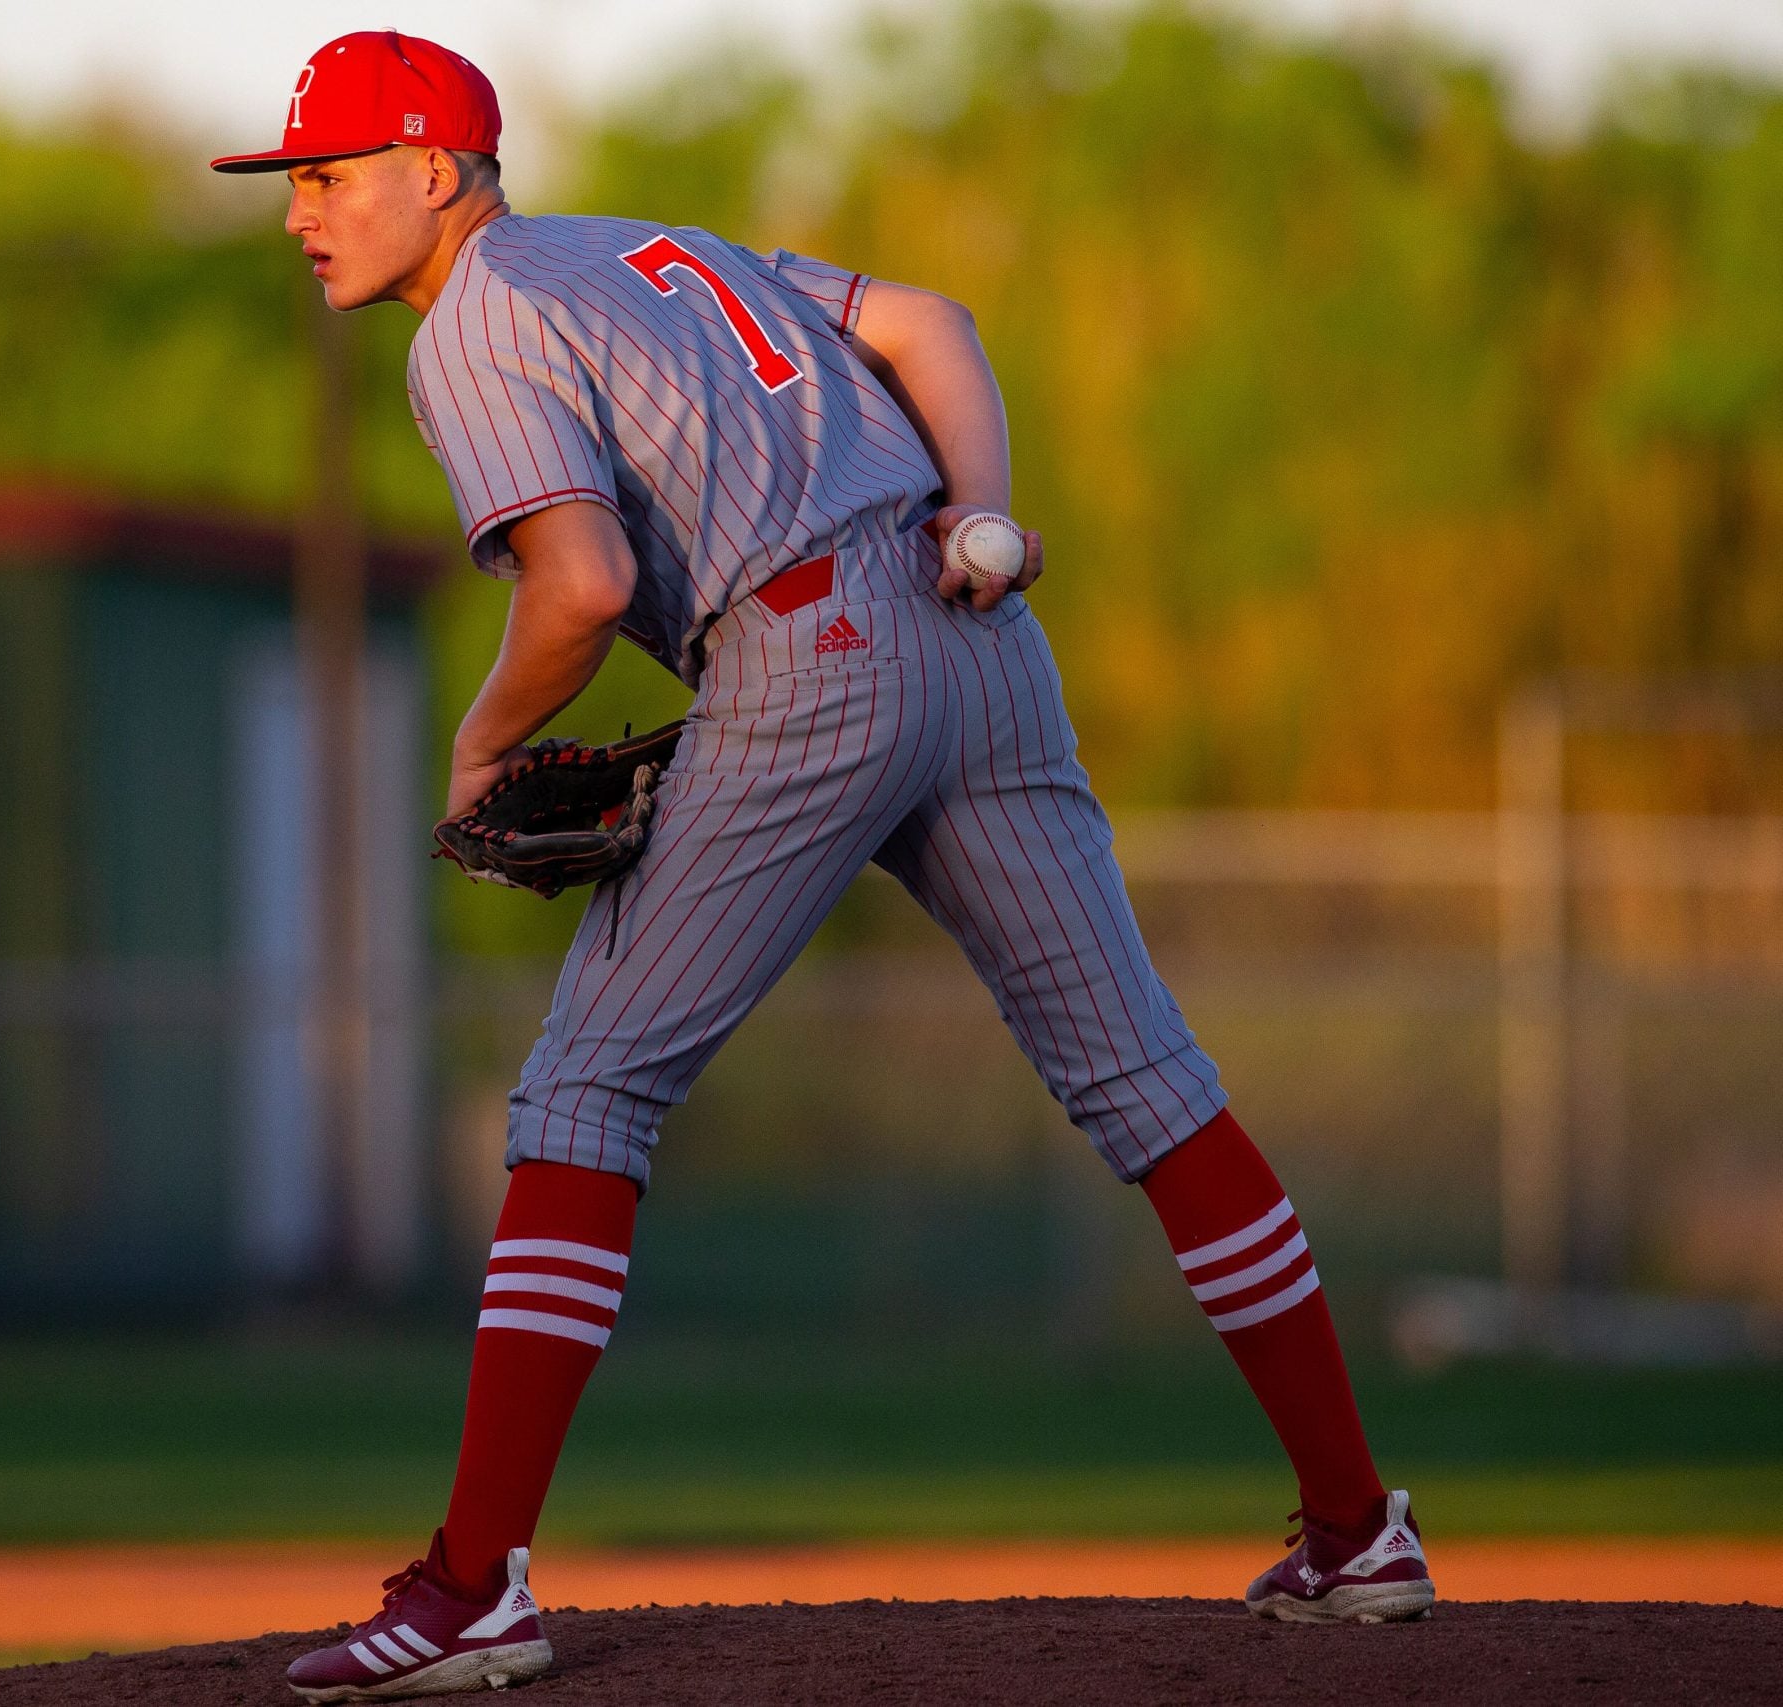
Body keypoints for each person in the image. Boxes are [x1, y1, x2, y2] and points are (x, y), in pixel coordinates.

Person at [211, 30, 1433, 1701]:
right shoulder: (669, 252)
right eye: (296, 182)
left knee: (583, 1098)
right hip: (975, 632)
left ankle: (471, 1588)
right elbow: (933, 323)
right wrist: (980, 516)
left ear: (438, 170)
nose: (301, 212)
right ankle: (1360, 1532)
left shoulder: (479, 321)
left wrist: (479, 745)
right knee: (1147, 1084)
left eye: (330, 175)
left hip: (807, 654)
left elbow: (574, 587)